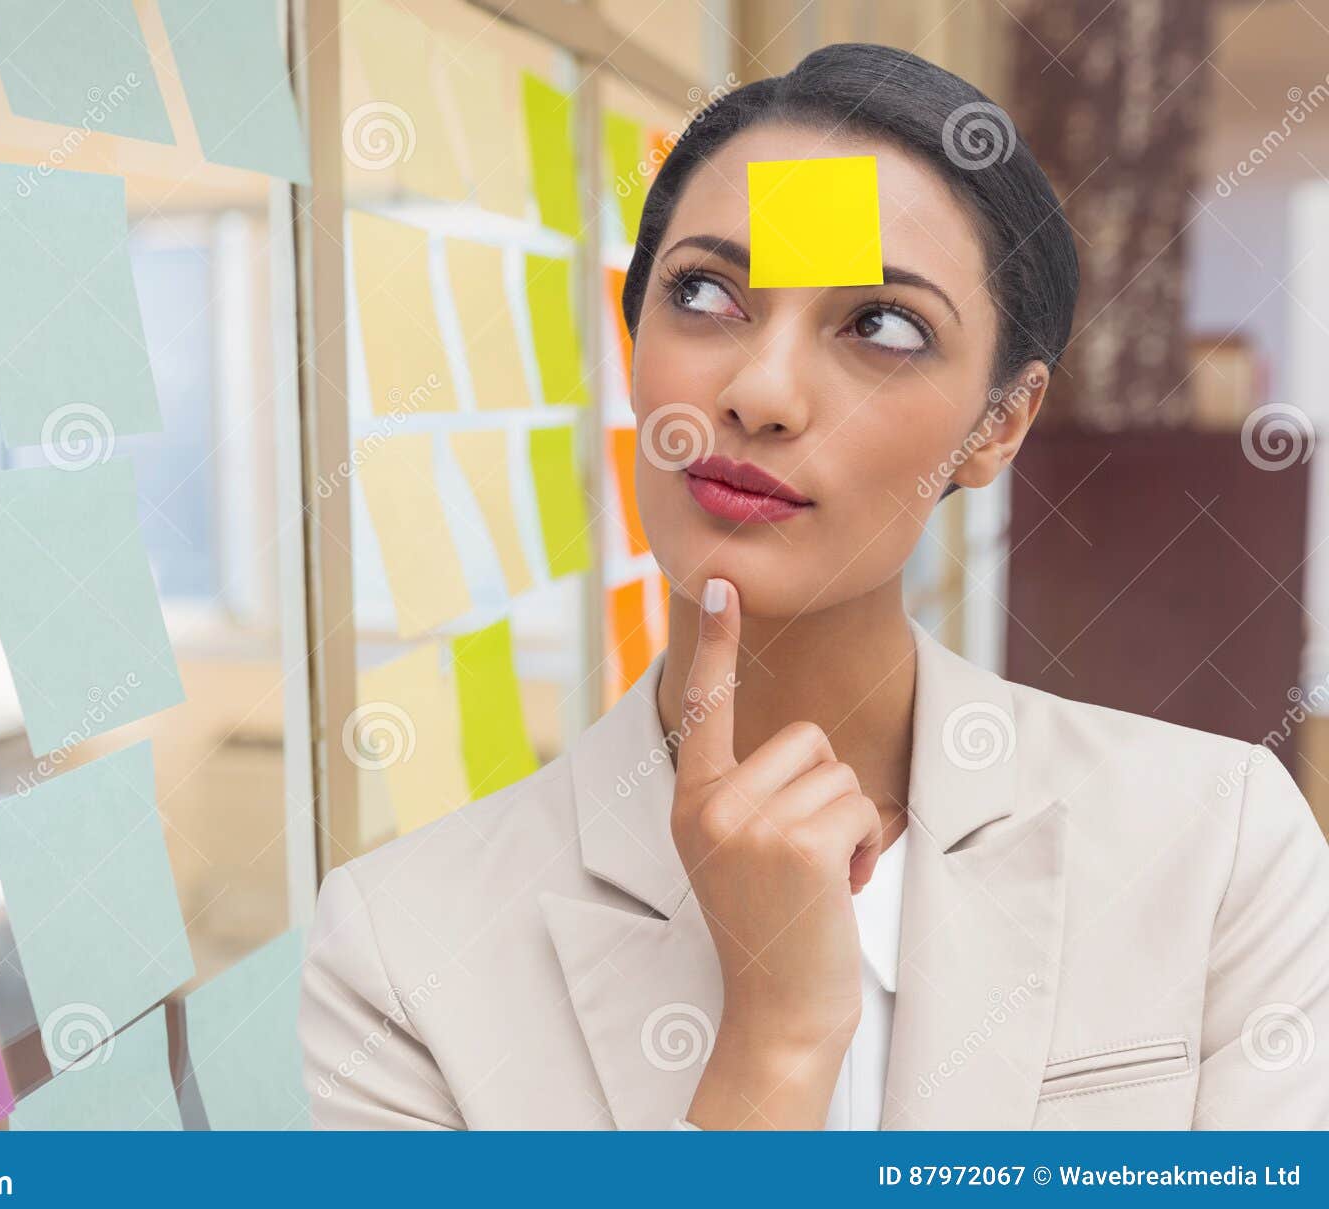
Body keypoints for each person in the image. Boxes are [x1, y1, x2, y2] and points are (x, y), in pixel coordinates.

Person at [298, 42, 1329, 1129]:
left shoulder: (1214, 845)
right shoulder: (402, 951)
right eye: (704, 292)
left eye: (881, 325)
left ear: (998, 424)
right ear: (632, 328)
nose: (759, 391)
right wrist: (774, 1042)